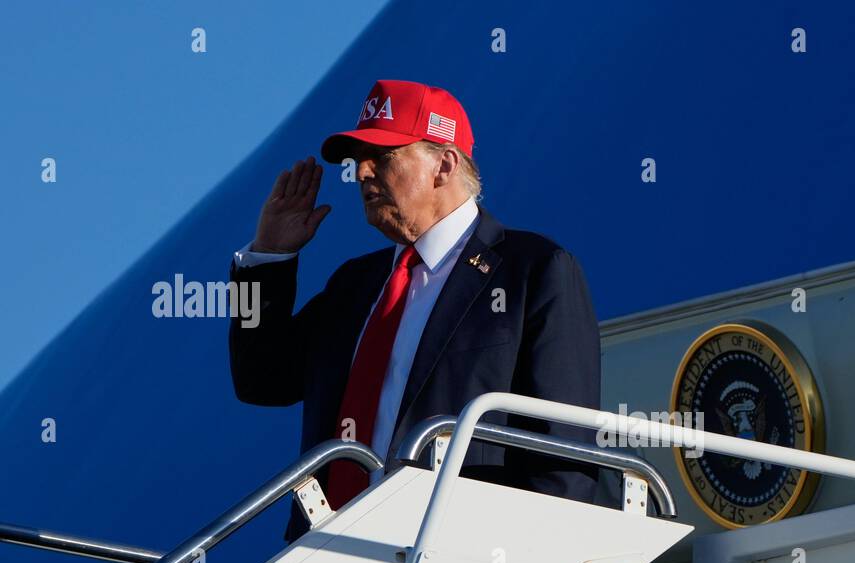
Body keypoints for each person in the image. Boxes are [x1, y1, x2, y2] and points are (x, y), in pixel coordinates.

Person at [227, 79, 600, 539]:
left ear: (444, 165)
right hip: (326, 561)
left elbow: (564, 459)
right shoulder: (354, 284)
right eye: (358, 160)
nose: (361, 173)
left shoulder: (534, 271)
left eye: (382, 157)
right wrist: (267, 260)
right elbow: (261, 380)